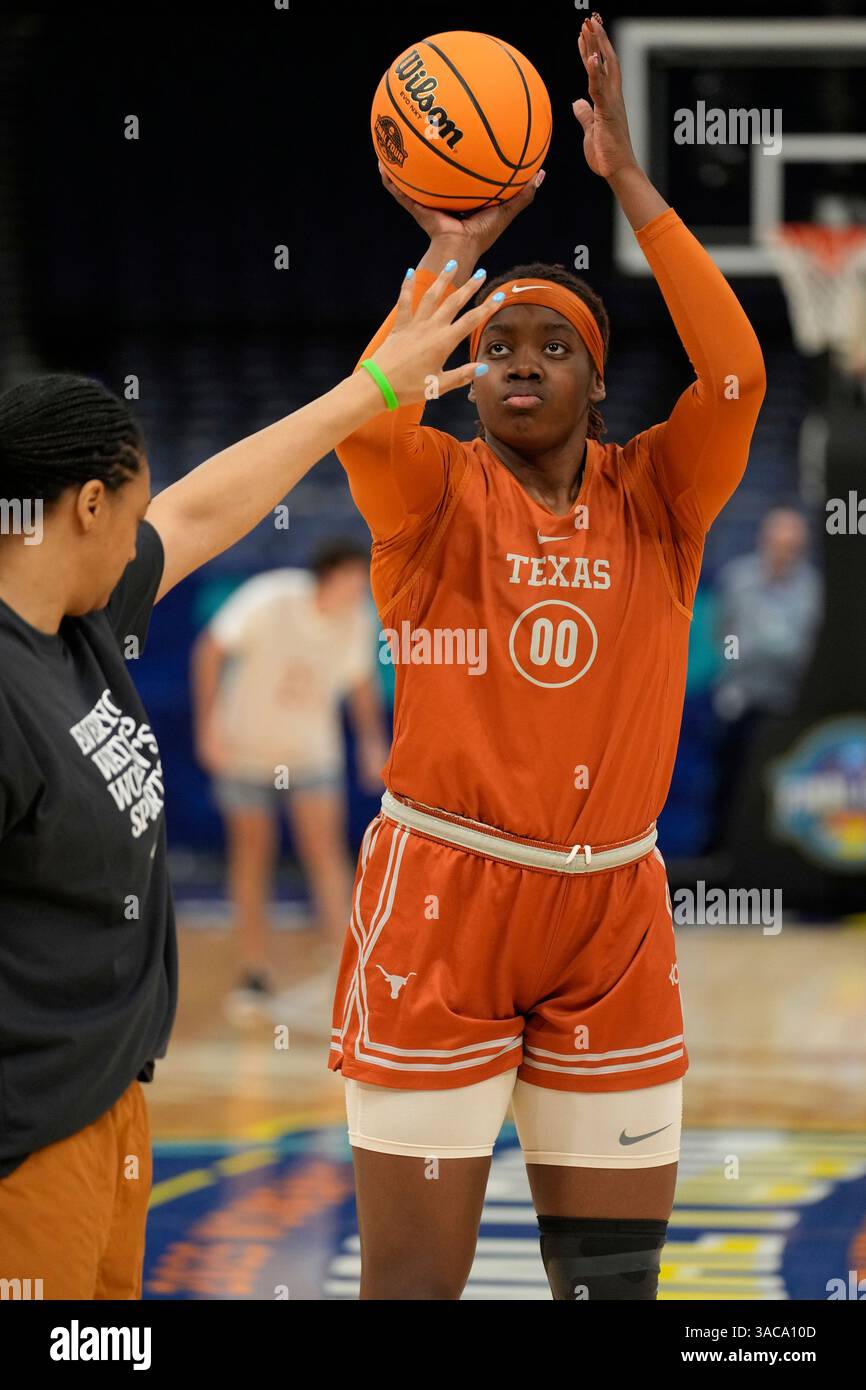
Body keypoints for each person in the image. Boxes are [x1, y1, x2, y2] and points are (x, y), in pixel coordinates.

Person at [327, 15, 766, 1301]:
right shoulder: (426, 488)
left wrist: (627, 182)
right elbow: (366, 403)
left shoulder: (661, 498)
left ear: (595, 378)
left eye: (550, 344)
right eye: (496, 345)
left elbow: (732, 377)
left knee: (613, 1288)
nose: (518, 359)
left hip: (612, 913)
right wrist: (449, 251)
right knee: (412, 1287)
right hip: (443, 899)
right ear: (464, 376)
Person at [0, 265, 493, 1299]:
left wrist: (374, 389)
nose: (146, 531)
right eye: (130, 511)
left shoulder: (75, 619)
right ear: (89, 503)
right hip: (23, 1142)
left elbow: (205, 509)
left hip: (108, 1109)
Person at [191, 538, 389, 1021]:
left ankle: (351, 971)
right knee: (251, 853)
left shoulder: (357, 619)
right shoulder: (271, 597)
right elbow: (210, 649)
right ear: (329, 575)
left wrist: (370, 742)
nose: (358, 591)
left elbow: (360, 682)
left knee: (325, 853)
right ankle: (254, 971)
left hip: (310, 756)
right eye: (351, 580)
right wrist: (209, 726)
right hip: (246, 751)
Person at [710, 507, 822, 848]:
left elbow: (808, 645)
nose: (784, 552)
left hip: (786, 702)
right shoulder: (737, 579)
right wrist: (734, 660)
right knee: (730, 780)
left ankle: (766, 854)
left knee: (776, 787)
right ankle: (721, 848)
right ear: (764, 540)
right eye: (779, 543)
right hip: (740, 698)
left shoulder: (813, 590)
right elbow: (724, 632)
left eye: (793, 546)